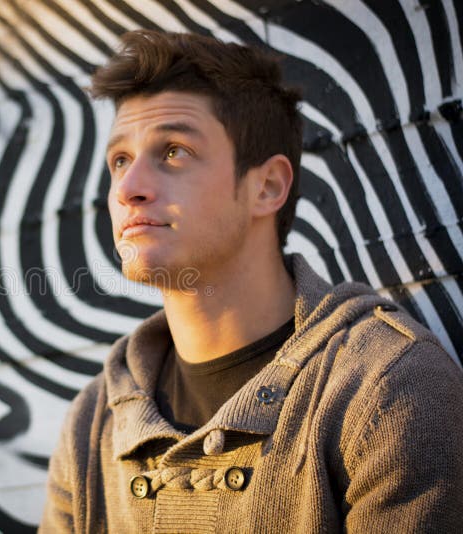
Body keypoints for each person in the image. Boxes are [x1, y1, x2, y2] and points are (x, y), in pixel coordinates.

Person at [39, 30, 463, 533]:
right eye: (120, 161)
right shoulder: (93, 425)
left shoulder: (383, 389)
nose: (128, 189)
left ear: (267, 186)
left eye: (173, 151)